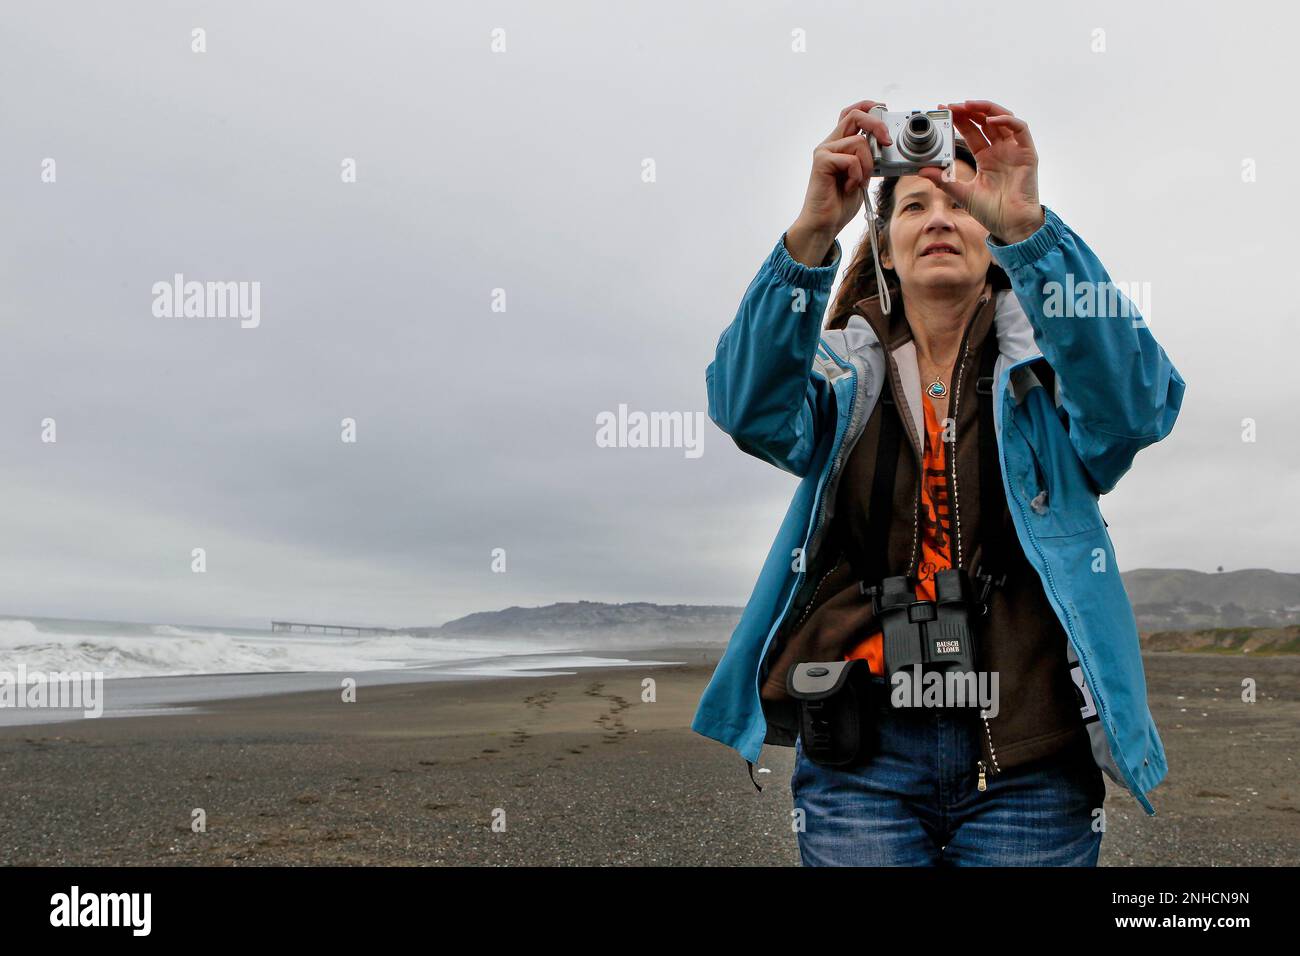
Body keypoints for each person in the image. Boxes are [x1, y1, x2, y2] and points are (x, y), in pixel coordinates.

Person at [692, 99, 1186, 866]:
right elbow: (749, 409)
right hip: (862, 749)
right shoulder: (836, 374)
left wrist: (1031, 228)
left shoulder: (1049, 374)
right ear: (885, 248)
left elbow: (1140, 408)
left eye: (961, 202)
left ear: (991, 241)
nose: (940, 219)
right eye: (914, 204)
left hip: (1030, 749)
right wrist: (814, 230)